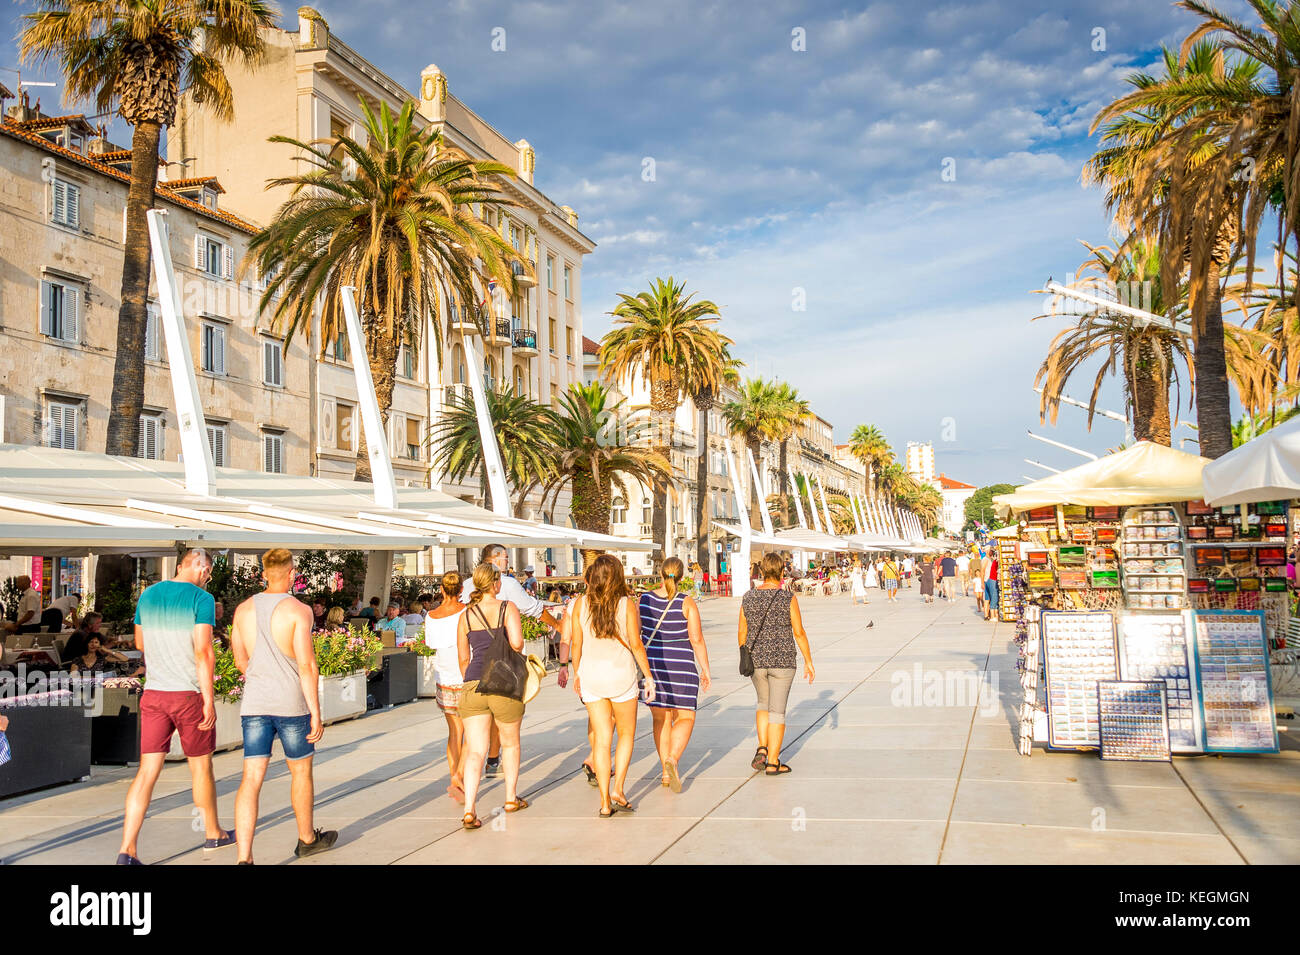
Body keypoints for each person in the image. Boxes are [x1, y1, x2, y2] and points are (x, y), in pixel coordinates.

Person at [117, 549, 233, 865]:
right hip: (187, 695)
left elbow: (140, 643)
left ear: (179, 566)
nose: (207, 575)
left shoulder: (149, 595)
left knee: (147, 772)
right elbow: (204, 652)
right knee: (201, 767)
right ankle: (214, 833)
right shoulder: (202, 600)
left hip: (154, 693)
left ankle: (127, 849)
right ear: (203, 570)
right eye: (207, 570)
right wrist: (209, 699)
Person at [230, 548, 335, 864]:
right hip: (291, 703)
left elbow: (239, 660)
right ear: (292, 574)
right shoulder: (298, 610)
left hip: (255, 704)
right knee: (300, 772)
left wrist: (261, 676)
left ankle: (244, 856)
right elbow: (306, 664)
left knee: (251, 778)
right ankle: (306, 839)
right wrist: (316, 712)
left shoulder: (243, 610)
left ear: (263, 573)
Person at [564, 554, 655, 817]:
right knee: (626, 734)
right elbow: (636, 644)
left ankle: (604, 802)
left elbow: (576, 644)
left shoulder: (580, 604)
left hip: (591, 676)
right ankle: (618, 789)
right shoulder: (626, 604)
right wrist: (648, 676)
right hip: (621, 676)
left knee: (602, 742)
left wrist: (576, 673)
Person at [461, 543, 561, 777]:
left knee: (470, 733)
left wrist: (464, 676)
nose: (508, 562)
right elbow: (532, 611)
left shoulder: (467, 586)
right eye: (505, 558)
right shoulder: (506, 586)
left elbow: (462, 647)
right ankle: (501, 776)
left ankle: (463, 780)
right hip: (502, 665)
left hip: (472, 669)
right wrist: (557, 624)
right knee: (505, 726)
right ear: (494, 560)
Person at [456, 562, 527, 830]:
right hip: (503, 681)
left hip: (473, 682)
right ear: (496, 583)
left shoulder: (465, 615)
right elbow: (518, 643)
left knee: (475, 750)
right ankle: (510, 798)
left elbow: (463, 656)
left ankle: (469, 808)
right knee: (509, 743)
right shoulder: (507, 608)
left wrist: (472, 677)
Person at [638, 557, 710, 792]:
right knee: (686, 718)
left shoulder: (645, 599)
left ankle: (665, 773)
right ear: (681, 577)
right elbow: (696, 639)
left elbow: (637, 634)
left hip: (654, 668)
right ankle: (673, 759)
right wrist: (705, 670)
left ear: (660, 573)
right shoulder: (686, 602)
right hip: (681, 667)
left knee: (661, 719)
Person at [740, 552, 814, 776]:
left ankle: (762, 748)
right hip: (782, 661)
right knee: (777, 712)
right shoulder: (787, 598)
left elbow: (742, 632)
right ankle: (773, 762)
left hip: (757, 662)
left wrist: (747, 652)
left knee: (763, 704)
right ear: (782, 572)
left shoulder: (748, 597)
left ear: (761, 572)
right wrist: (809, 661)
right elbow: (798, 632)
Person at [424, 571, 468, 801]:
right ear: (461, 589)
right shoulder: (466, 611)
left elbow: (430, 643)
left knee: (454, 732)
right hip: (465, 675)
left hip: (444, 676)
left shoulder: (431, 615)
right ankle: (460, 775)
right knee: (472, 732)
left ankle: (454, 776)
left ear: (441, 589)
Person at [983, 551, 1000, 622]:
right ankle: (992, 616)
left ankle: (995, 615)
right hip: (993, 580)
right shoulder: (996, 562)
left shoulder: (994, 561)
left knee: (990, 598)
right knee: (994, 598)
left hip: (989, 580)